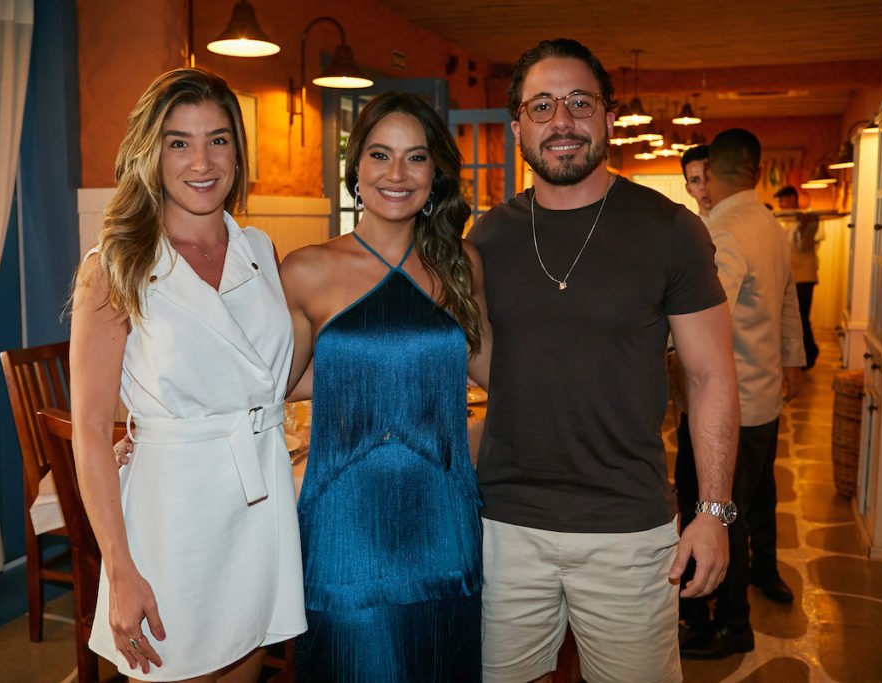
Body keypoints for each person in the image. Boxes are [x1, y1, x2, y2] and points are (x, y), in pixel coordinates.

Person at [468, 38, 739, 683]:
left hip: (629, 529)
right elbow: (481, 365)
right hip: (505, 527)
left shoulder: (670, 229)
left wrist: (714, 511)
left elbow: (710, 376)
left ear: (608, 117)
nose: (561, 121)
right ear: (518, 128)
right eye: (542, 106)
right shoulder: (487, 237)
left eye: (578, 102)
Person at [70, 68, 305, 682]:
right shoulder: (116, 265)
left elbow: (270, 379)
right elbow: (91, 429)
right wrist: (119, 568)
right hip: (173, 518)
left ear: (238, 151)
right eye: (179, 141)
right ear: (152, 152)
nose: (201, 160)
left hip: (260, 506)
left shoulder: (259, 250)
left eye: (218, 139)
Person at [280, 92, 491, 682]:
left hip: (445, 515)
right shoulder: (306, 269)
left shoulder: (460, 264)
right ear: (356, 171)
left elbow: (491, 369)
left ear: (435, 173)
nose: (396, 174)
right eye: (379, 154)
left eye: (415, 158)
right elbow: (279, 385)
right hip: (346, 521)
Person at [676, 130, 805, 659]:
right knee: (742, 510)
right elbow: (789, 301)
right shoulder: (770, 223)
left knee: (715, 514)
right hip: (762, 399)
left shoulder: (724, 231)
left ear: (717, 170)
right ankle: (725, 615)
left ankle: (729, 625)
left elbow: (706, 314)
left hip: (727, 408)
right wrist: (792, 359)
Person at [774, 185, 821, 369]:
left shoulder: (808, 218)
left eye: (783, 199)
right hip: (792, 276)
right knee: (795, 315)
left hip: (805, 276)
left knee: (801, 316)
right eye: (779, 201)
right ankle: (806, 353)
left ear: (792, 198)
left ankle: (809, 353)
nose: (781, 203)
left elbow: (804, 246)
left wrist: (803, 226)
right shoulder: (786, 221)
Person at [681, 144, 712, 224]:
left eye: (709, 177)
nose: (703, 186)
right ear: (689, 190)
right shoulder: (688, 231)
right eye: (695, 180)